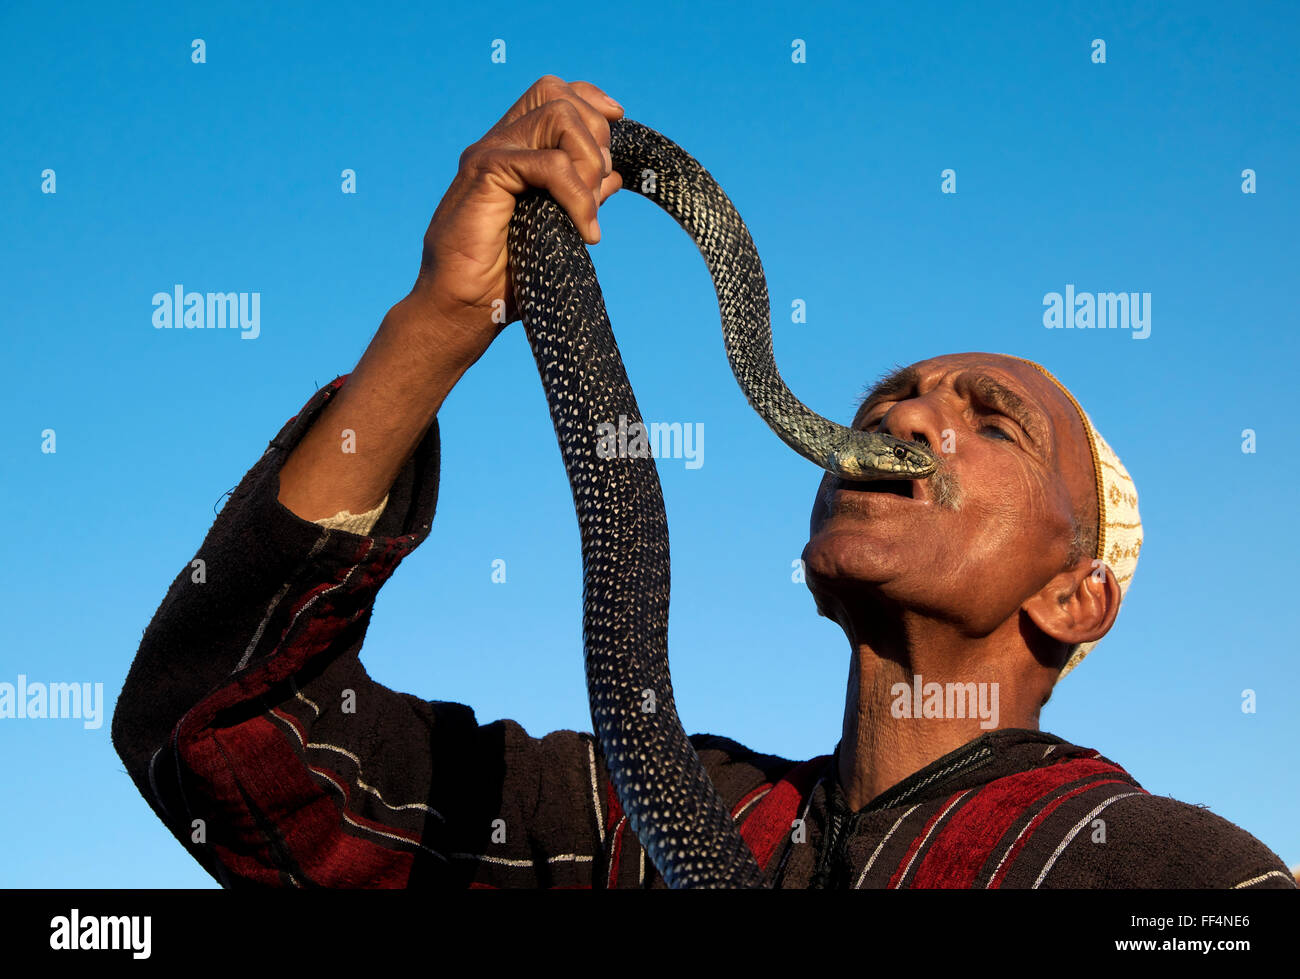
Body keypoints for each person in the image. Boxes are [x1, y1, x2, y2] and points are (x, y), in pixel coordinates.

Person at [111, 75, 1294, 889]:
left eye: (993, 425)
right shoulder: (629, 821)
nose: (906, 416)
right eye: (894, 395)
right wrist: (442, 320)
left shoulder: (1166, 871)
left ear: (1076, 596)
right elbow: (216, 733)